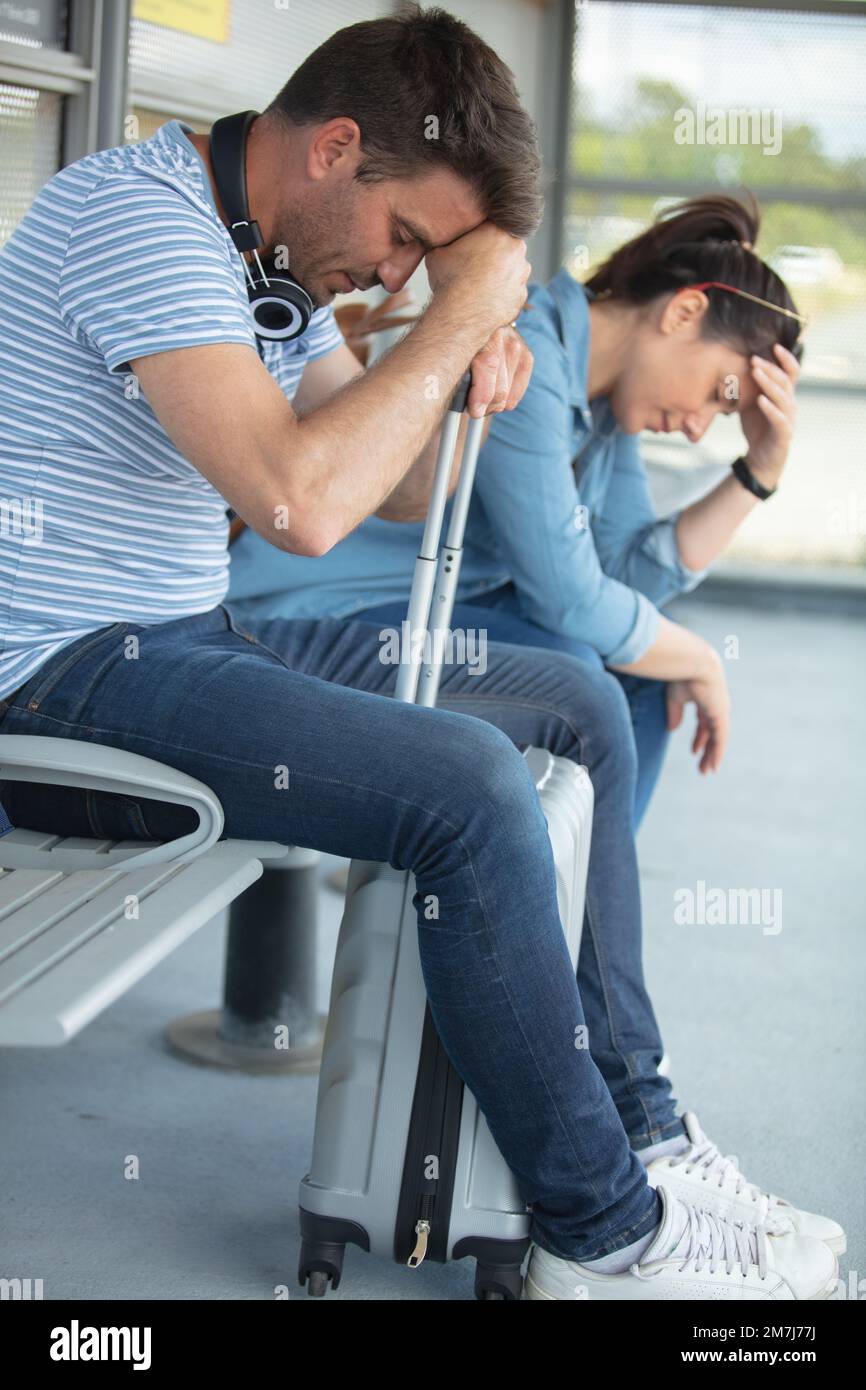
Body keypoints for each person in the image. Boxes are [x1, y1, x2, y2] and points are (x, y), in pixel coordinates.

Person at [0, 6, 840, 1298]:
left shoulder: (262, 251)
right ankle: (607, 1227)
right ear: (336, 149)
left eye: (425, 262)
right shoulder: (142, 219)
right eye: (405, 240)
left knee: (571, 701)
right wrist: (458, 319)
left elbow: (387, 484)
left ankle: (647, 1125)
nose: (398, 280)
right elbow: (302, 501)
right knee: (467, 786)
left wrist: (465, 375)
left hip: (183, 635)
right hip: (63, 674)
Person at [230, 196, 803, 831]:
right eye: (717, 396)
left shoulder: (606, 412)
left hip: (418, 609)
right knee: (582, 672)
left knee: (639, 672)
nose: (698, 430)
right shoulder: (527, 352)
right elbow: (570, 601)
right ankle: (537, 912)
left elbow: (626, 584)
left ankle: (571, 912)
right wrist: (701, 656)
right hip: (314, 609)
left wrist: (757, 476)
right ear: (684, 311)